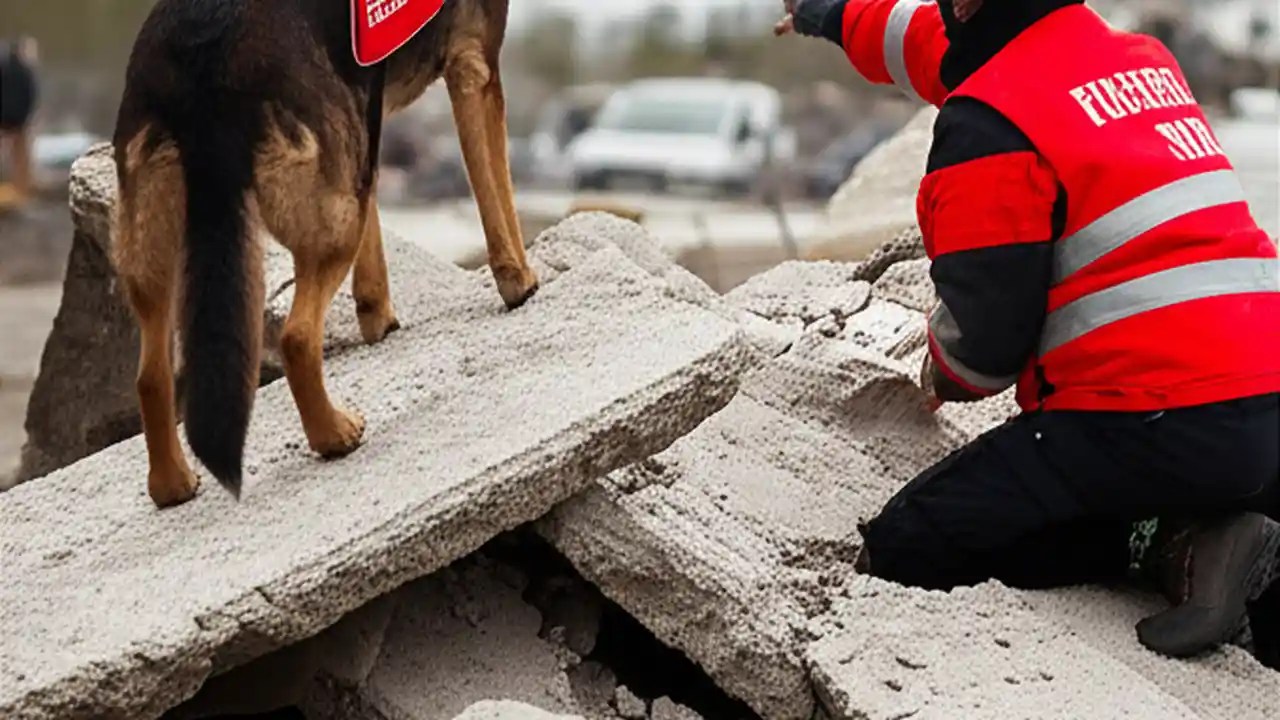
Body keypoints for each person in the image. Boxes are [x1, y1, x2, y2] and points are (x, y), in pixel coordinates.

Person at [778, 0, 1280, 661]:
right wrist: (826, 13)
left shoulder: (989, 121)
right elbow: (923, 39)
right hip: (1264, 402)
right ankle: (1226, 537)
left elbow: (985, 352)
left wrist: (938, 368)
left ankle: (1162, 539)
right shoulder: (1137, 61)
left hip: (1154, 418)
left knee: (913, 540)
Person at [0, 35, 40, 201]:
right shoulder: (15, 71)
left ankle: (22, 188)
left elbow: (29, 97)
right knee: (15, 154)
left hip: (18, 119)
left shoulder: (22, 71)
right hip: (12, 118)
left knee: (20, 156)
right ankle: (19, 187)